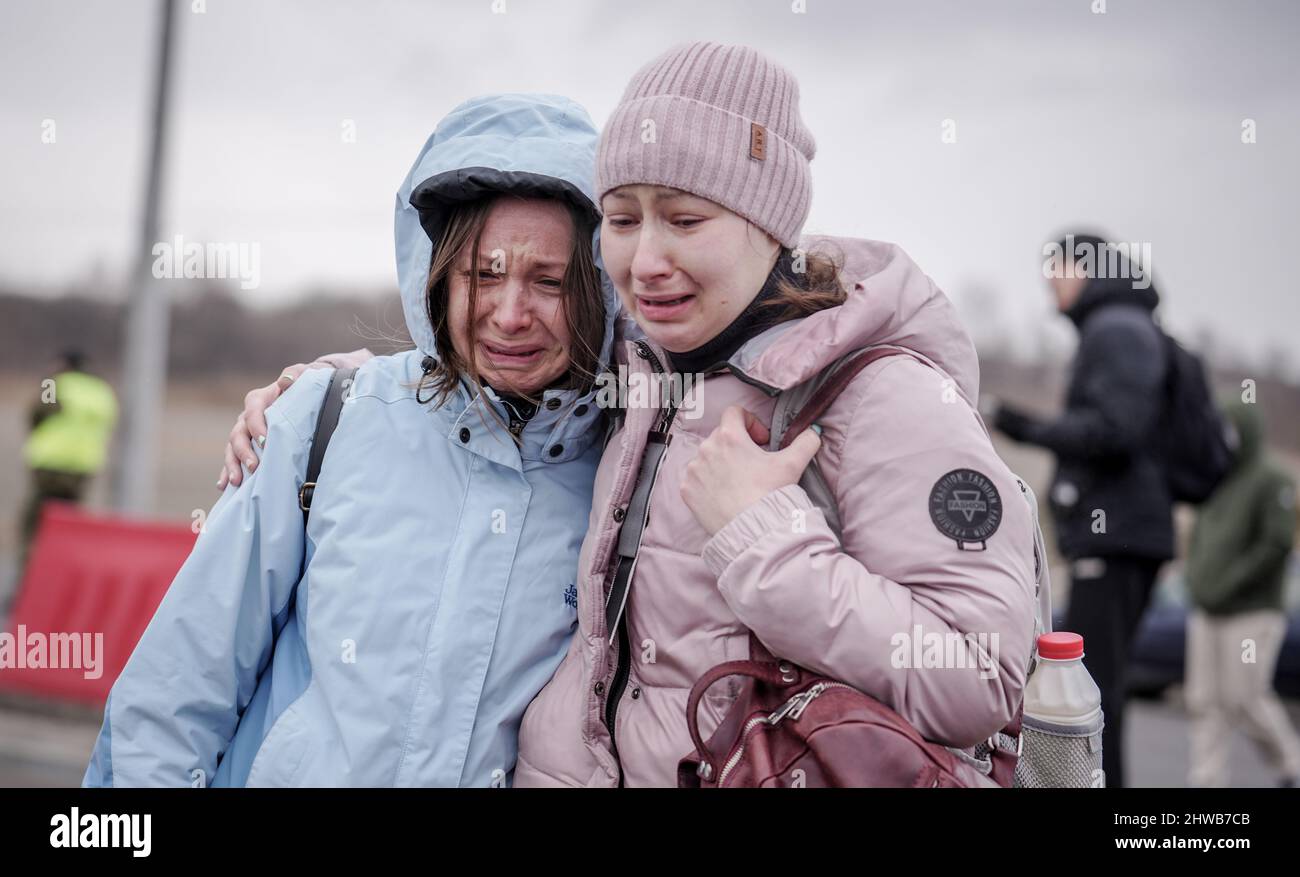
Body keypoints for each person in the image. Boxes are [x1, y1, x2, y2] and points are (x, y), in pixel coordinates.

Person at [230, 43, 1040, 789]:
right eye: (621, 219)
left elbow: (980, 679)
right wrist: (328, 389)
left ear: (769, 223)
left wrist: (764, 538)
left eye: (686, 219)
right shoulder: (640, 370)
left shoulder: (882, 393)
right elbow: (496, 365)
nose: (645, 260)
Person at [83, 93, 616, 787]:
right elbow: (175, 692)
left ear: (598, 288)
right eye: (483, 273)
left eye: (549, 281)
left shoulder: (624, 477)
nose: (509, 313)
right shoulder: (323, 420)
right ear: (437, 274)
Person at [992, 232, 1172, 787]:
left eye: (1058, 268)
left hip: (1119, 535)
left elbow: (1118, 428)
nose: (1050, 281)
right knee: (1097, 687)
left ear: (1088, 267)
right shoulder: (1118, 326)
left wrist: (1024, 425)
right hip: (1120, 534)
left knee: (1091, 692)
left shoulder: (1116, 328)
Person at [1184, 397, 1300, 787]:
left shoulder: (1273, 480)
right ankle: (1207, 780)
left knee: (1244, 697)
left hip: (1250, 612)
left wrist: (1228, 581)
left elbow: (1277, 543)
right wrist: (1197, 579)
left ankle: (1291, 764)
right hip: (1206, 611)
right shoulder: (1216, 478)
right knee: (1204, 701)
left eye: (1230, 428)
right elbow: (1199, 535)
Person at [20, 349, 117, 572]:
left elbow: (36, 415)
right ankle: (63, 572)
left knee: (34, 526)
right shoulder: (102, 391)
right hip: (83, 468)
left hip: (49, 466)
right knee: (69, 526)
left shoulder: (56, 384)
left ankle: (29, 581)